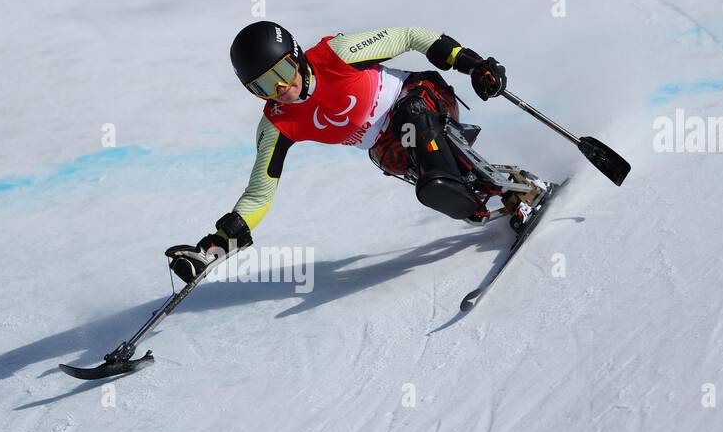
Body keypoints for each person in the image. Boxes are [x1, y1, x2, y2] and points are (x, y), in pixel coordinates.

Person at [165, 21, 533, 284]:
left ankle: (474, 186)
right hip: (387, 146)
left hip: (420, 97)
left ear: (296, 56)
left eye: (282, 71)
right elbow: (260, 192)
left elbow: (409, 36)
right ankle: (500, 196)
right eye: (261, 85)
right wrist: (216, 244)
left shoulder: (335, 55)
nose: (279, 88)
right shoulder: (276, 124)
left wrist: (470, 63)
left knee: (413, 119)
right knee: (440, 185)